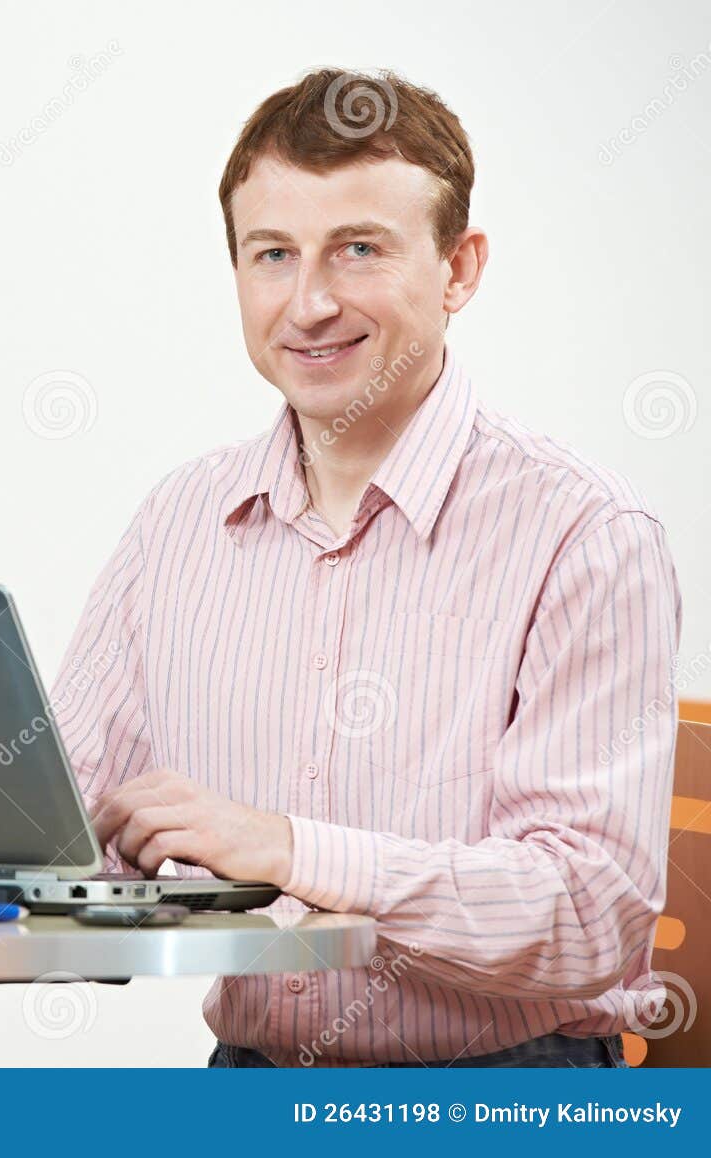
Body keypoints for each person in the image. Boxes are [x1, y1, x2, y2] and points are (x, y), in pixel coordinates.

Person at [53, 68, 681, 1067]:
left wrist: (294, 850)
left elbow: (587, 912)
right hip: (248, 1081)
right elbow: (66, 825)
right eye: (272, 254)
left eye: (357, 250)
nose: (307, 304)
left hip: (502, 1092)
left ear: (458, 269)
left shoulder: (584, 532)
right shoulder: (177, 523)